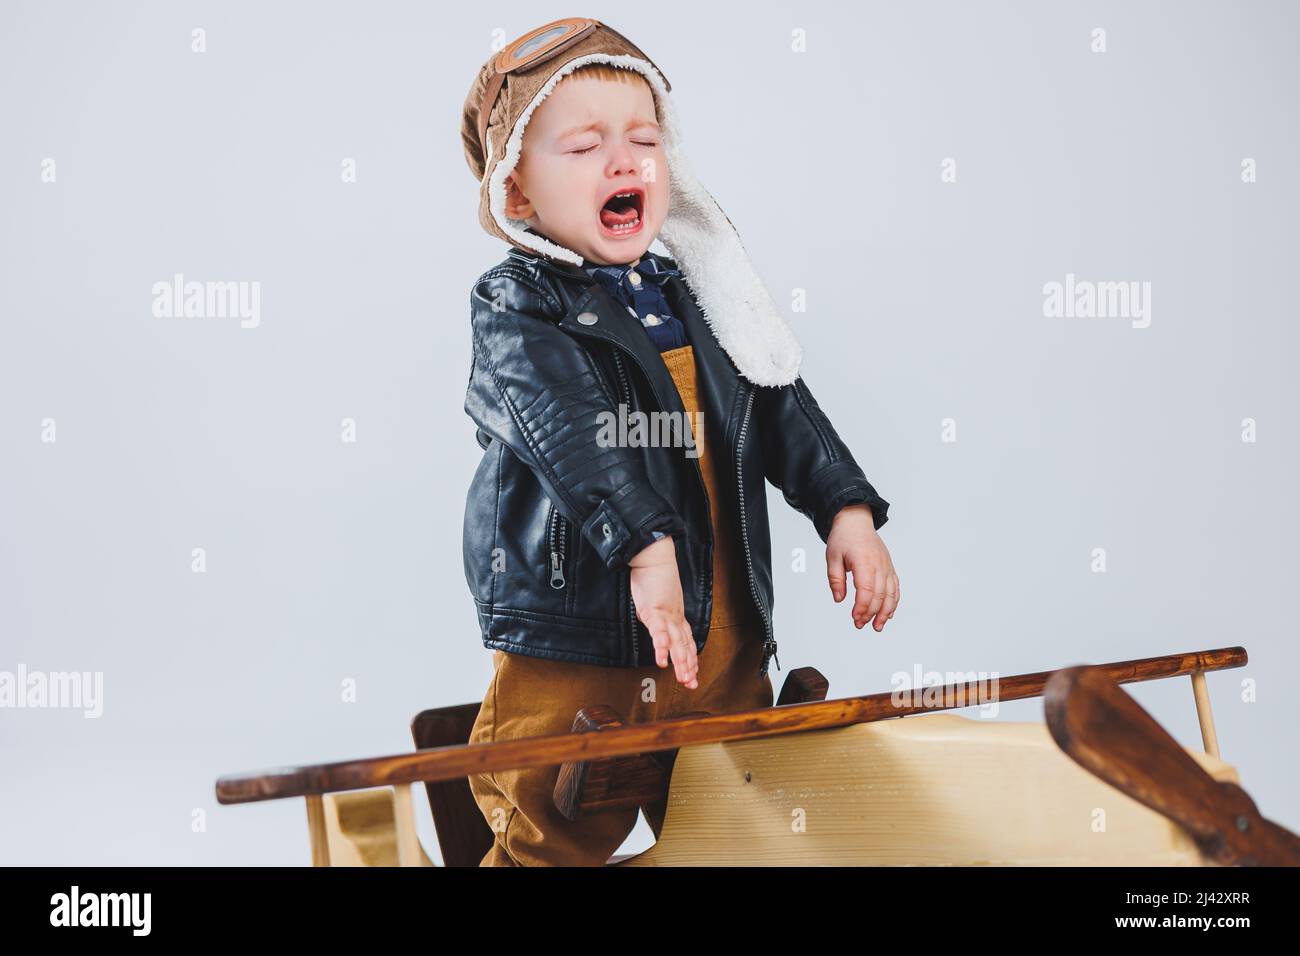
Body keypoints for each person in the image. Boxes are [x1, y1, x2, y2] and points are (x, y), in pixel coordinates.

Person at [458, 18, 899, 865]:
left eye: (645, 139)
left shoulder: (698, 295)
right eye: (584, 147)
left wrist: (845, 508)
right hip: (582, 634)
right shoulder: (518, 310)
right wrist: (643, 546)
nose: (624, 162)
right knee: (558, 815)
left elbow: (776, 397)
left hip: (719, 625)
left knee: (733, 813)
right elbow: (572, 434)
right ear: (517, 192)